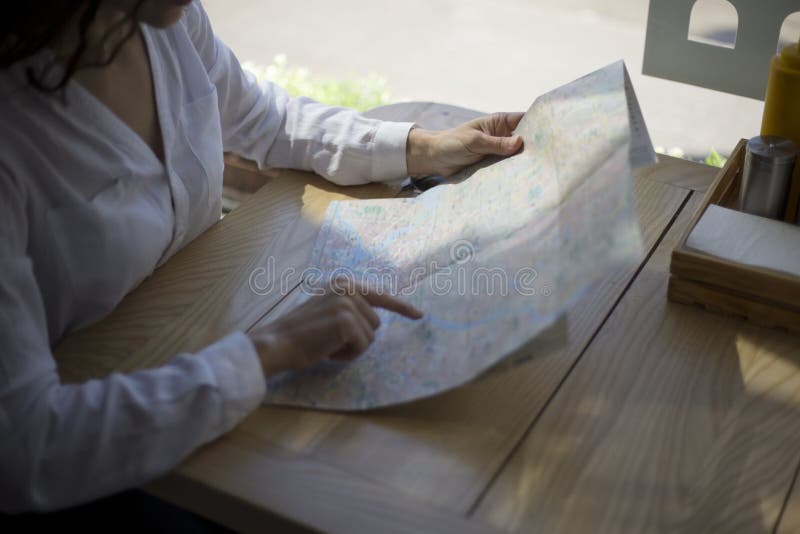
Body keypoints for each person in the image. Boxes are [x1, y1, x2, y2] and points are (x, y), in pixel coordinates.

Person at [0, 0, 524, 520]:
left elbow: (262, 117)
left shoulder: (166, 22)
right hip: (105, 460)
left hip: (208, 345)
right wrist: (271, 348)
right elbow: (25, 446)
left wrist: (421, 147)